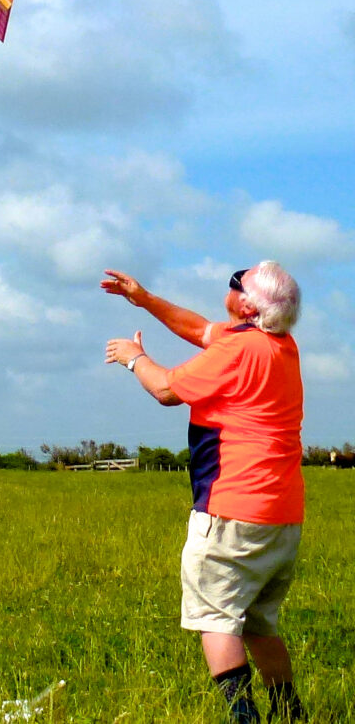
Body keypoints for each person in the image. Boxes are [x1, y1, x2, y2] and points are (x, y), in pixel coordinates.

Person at [102, 261, 306, 723]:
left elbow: (167, 389)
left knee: (215, 619)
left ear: (249, 305)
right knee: (258, 624)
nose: (231, 284)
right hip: (282, 514)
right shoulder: (279, 344)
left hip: (231, 509)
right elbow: (199, 329)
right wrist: (145, 297)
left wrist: (133, 356)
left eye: (238, 281)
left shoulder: (238, 351)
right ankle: (290, 715)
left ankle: (244, 718)